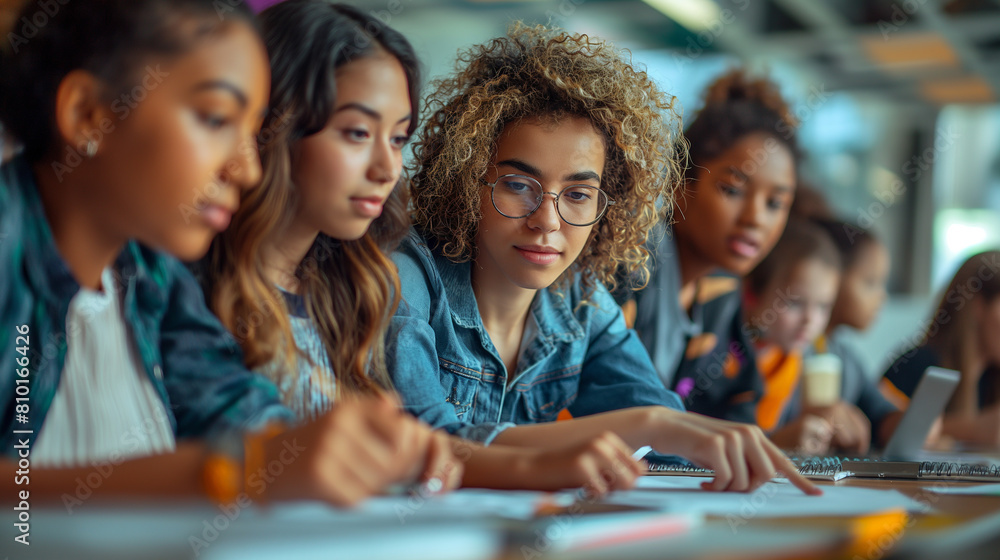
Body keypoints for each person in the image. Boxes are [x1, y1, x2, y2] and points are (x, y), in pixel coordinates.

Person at [0, 0, 458, 507]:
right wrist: (232, 471)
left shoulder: (152, 279)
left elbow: (243, 418)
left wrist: (344, 453)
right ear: (89, 115)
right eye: (216, 119)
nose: (248, 170)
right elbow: (241, 463)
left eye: (251, 130)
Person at [201, 0, 642, 495]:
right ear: (272, 123)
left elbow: (409, 452)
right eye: (357, 133)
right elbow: (412, 445)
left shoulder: (352, 280)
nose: (387, 169)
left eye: (397, 139)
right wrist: (607, 442)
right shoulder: (389, 274)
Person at [387, 25, 819, 495]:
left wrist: (672, 431)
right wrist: (646, 425)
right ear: (468, 180)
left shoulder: (582, 301)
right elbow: (427, 446)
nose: (547, 221)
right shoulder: (407, 273)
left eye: (578, 194)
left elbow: (666, 437)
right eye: (517, 185)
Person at [623, 68, 799, 424]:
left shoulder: (720, 288)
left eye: (775, 204)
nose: (756, 219)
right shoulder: (629, 260)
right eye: (732, 190)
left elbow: (737, 400)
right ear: (678, 183)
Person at [745, 218, 901, 454]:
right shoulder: (734, 358)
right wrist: (777, 441)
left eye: (822, 306)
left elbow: (878, 407)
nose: (810, 319)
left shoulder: (803, 356)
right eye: (795, 303)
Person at [883, 250, 1000, 447]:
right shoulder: (918, 364)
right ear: (978, 306)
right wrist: (973, 429)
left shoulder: (991, 379)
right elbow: (882, 429)